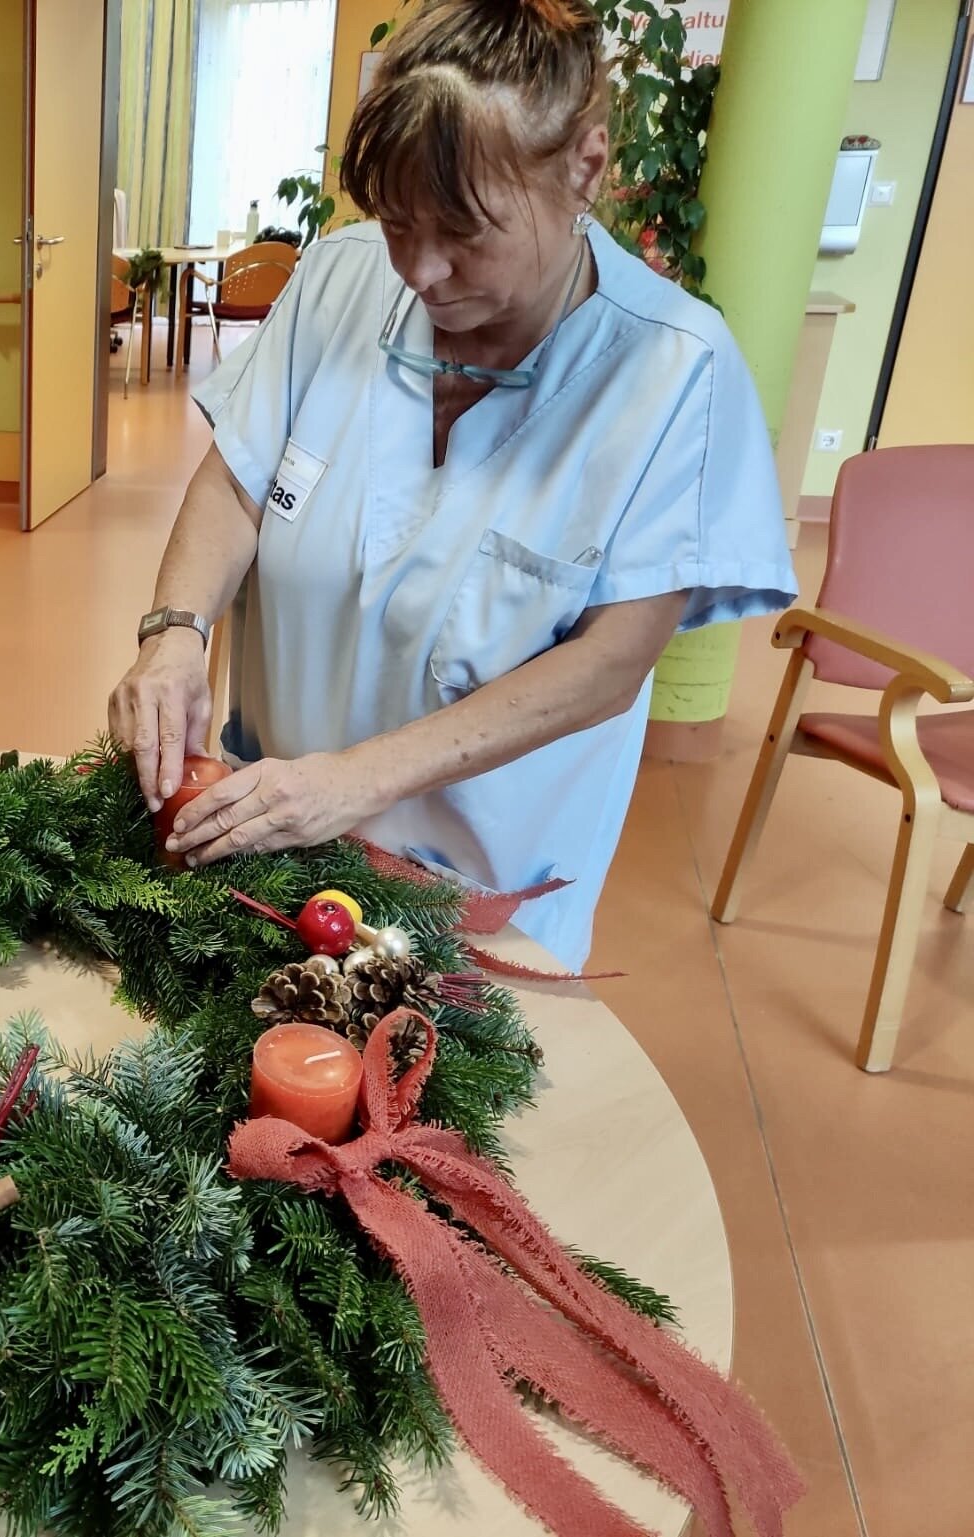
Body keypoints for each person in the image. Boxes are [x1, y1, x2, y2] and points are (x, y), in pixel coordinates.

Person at [108, 0, 796, 967]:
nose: (422, 270)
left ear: (584, 169)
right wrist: (174, 634)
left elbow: (612, 659)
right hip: (269, 849)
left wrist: (358, 780)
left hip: (479, 897)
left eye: (466, 231)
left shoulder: (674, 371)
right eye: (397, 223)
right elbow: (236, 482)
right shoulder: (341, 282)